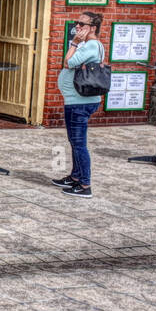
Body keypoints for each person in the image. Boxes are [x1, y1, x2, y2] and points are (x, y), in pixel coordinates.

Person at [53, 11, 106, 198]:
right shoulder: (89, 45)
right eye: (77, 23)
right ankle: (75, 177)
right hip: (76, 101)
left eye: (82, 24)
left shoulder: (90, 45)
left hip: (80, 103)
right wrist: (76, 43)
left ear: (93, 28)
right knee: (74, 142)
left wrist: (74, 43)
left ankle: (85, 185)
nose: (77, 26)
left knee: (79, 144)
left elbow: (68, 62)